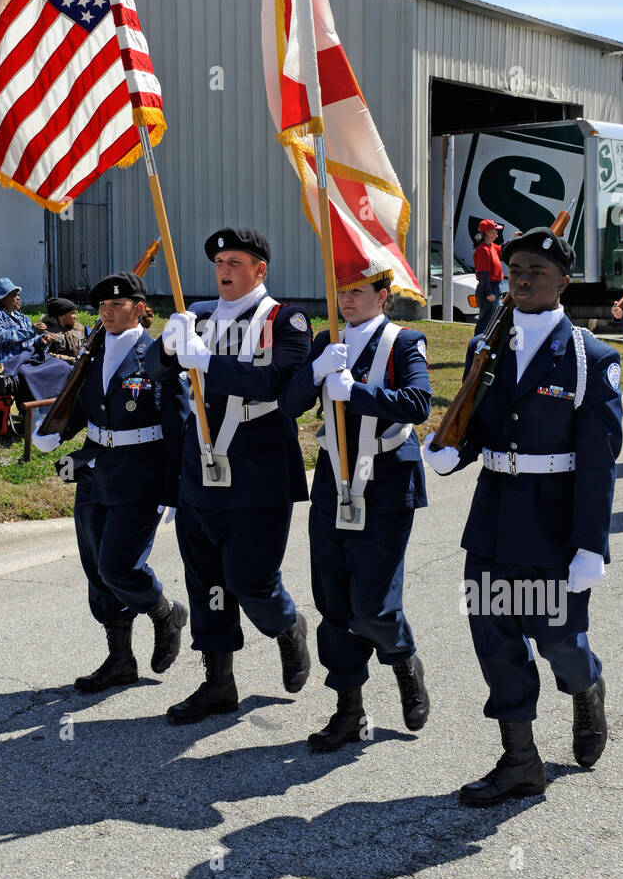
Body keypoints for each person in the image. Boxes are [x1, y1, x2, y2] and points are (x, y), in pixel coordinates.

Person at [423, 228, 623, 805]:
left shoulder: (592, 357)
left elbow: (598, 462)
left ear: (564, 280)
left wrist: (591, 545)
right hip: (493, 515)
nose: (524, 279)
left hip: (555, 522)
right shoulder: (487, 346)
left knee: (557, 635)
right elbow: (474, 425)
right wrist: (448, 454)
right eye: (515, 271)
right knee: (495, 635)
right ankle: (520, 760)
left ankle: (586, 686)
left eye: (538, 270)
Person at [144, 227, 313, 723]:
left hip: (259, 470)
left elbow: (279, 382)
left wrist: (206, 362)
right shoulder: (195, 315)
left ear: (261, 269)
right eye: (219, 262)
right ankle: (218, 682)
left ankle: (287, 627)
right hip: (200, 469)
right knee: (207, 581)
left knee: (251, 579)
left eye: (236, 262)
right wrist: (169, 346)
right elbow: (154, 368)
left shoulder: (287, 319)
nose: (224, 269)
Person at [279, 267, 432, 751]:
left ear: (382, 297)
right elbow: (288, 404)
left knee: (373, 605)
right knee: (333, 601)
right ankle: (349, 709)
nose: (346, 300)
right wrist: (316, 371)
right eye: (341, 291)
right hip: (333, 480)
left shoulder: (405, 342)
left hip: (386, 480)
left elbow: (419, 402)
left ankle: (403, 659)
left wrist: (358, 393)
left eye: (357, 292)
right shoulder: (328, 339)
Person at [57, 272, 190, 691]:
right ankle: (120, 660)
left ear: (139, 308)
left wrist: (172, 488)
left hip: (140, 472)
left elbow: (178, 423)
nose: (108, 312)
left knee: (119, 566)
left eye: (117, 305)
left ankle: (165, 613)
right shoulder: (93, 352)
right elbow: (82, 403)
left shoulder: (156, 356)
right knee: (97, 568)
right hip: (96, 468)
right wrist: (54, 431)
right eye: (102, 307)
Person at [0, 278, 48, 365]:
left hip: (21, 359)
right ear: (1, 299)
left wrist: (41, 341)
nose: (18, 297)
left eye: (18, 294)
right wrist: (31, 331)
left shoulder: (22, 318)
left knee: (61, 366)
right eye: (14, 295)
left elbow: (28, 342)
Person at [472, 219, 504, 334]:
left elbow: (502, 248)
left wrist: (515, 239)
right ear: (488, 232)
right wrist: (488, 292)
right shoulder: (483, 250)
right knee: (486, 321)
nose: (497, 232)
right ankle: (478, 343)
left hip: (494, 287)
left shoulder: (492, 246)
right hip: (490, 288)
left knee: (491, 320)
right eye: (495, 230)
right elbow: (483, 274)